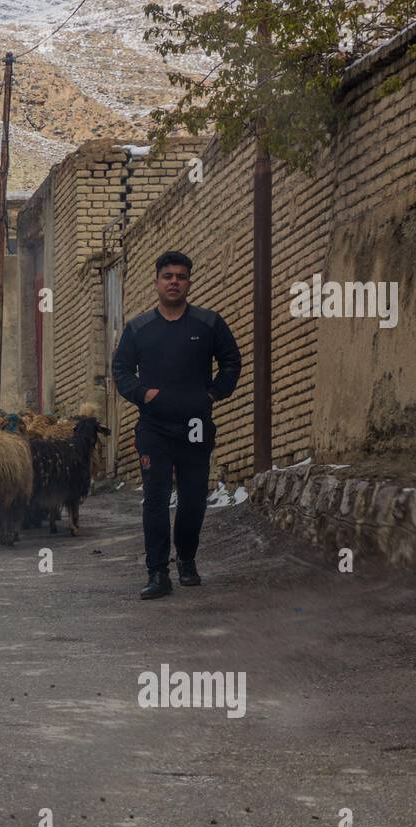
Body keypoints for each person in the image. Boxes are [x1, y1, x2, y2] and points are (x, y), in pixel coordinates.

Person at [112, 251, 242, 599]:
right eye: (167, 276)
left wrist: (214, 394)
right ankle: (157, 573)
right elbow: (121, 370)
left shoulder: (208, 323)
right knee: (155, 500)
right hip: (153, 428)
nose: (174, 282)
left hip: (197, 425)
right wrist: (142, 394)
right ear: (156, 282)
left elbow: (231, 361)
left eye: (181, 276)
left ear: (189, 282)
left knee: (193, 499)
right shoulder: (138, 328)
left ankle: (186, 560)